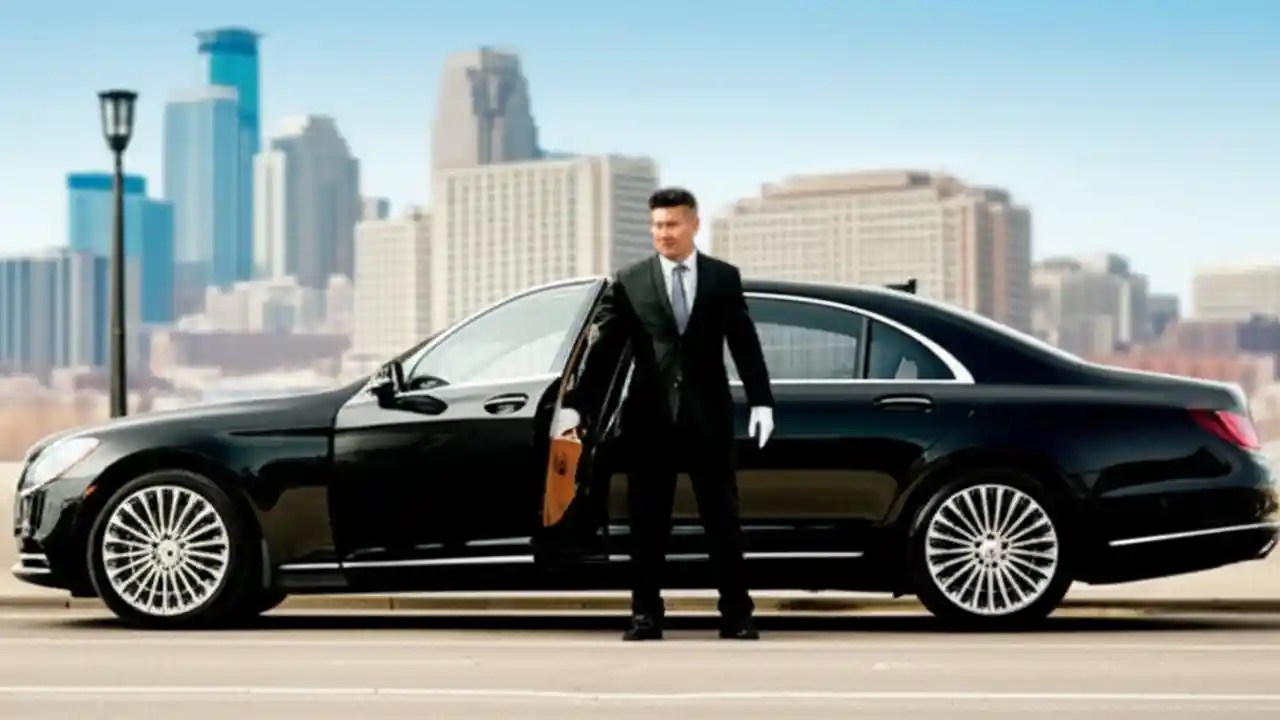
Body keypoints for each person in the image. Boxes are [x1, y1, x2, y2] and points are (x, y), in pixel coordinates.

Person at [570, 187, 775, 641]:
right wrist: (578, 407)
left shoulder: (723, 278)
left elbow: (744, 342)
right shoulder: (630, 280)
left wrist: (761, 400)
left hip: (709, 418)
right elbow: (603, 350)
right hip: (650, 420)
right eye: (657, 225)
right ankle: (646, 615)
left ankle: (737, 615)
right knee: (648, 523)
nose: (663, 233)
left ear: (694, 225)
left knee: (722, 520)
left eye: (672, 224)